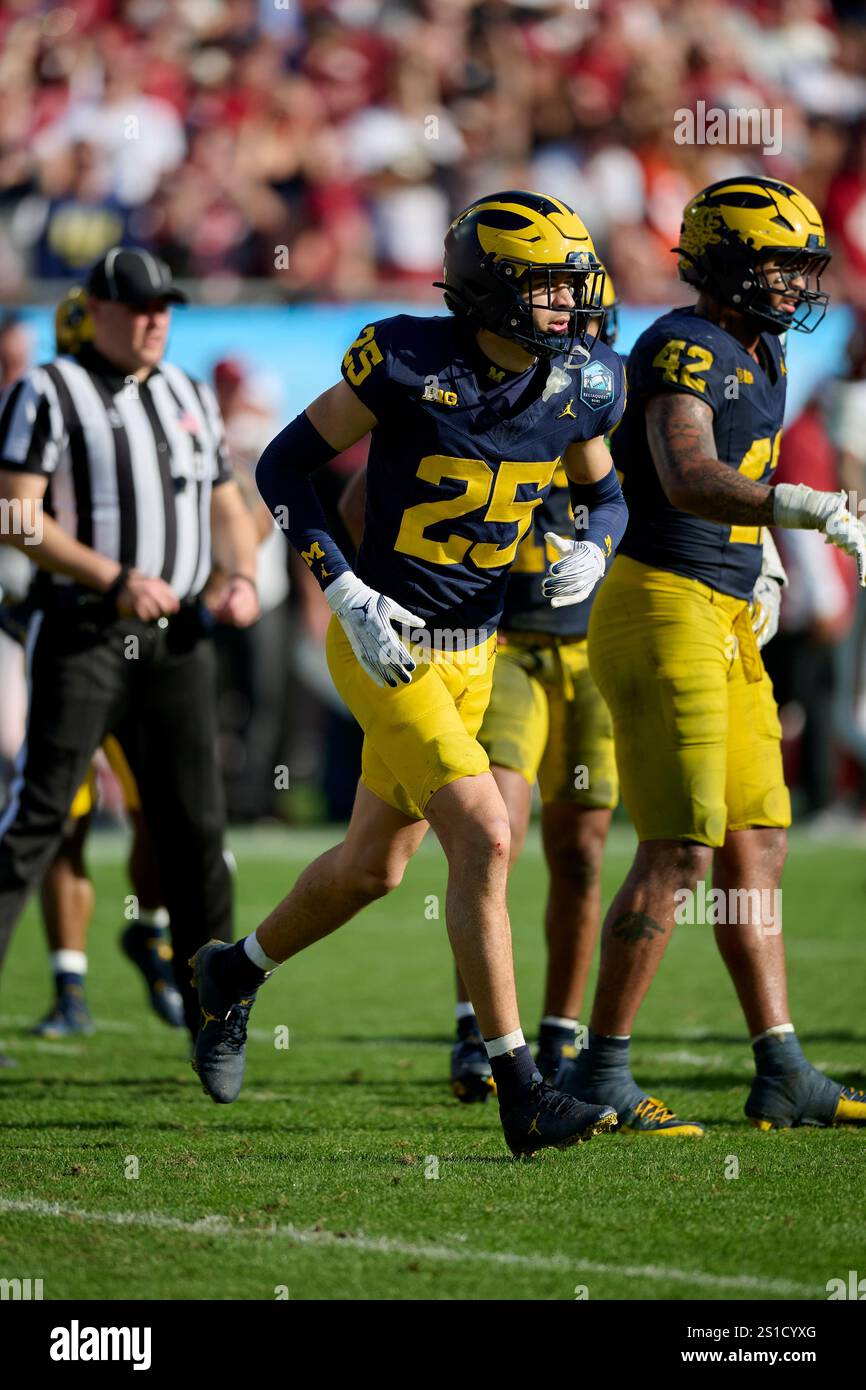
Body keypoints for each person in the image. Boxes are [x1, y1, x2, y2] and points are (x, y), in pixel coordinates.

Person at [189, 190, 628, 1159]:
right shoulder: (403, 356)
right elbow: (283, 467)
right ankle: (521, 1086)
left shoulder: (585, 380)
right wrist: (341, 585)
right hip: (383, 634)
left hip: (476, 649)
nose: (568, 302)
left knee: (372, 869)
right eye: (546, 285)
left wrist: (595, 547)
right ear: (489, 292)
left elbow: (604, 495)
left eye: (570, 282)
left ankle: (231, 973)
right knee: (486, 829)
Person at [555, 176, 866, 1132]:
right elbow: (690, 476)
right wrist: (799, 512)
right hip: (661, 604)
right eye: (776, 261)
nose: (792, 281)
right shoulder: (682, 346)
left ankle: (781, 1066)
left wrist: (762, 559)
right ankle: (598, 1069)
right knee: (680, 849)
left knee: (757, 843)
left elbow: (734, 474)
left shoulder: (761, 349)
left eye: (798, 263)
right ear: (725, 257)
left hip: (727, 610)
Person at [0, 246, 261, 1042]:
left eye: (166, 306)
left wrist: (241, 573)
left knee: (196, 827)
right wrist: (113, 578)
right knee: (40, 814)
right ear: (99, 309)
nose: (156, 320)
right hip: (83, 628)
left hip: (179, 635)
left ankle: (214, 1021)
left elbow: (225, 500)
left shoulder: (185, 391)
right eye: (140, 305)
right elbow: (15, 514)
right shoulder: (47, 390)